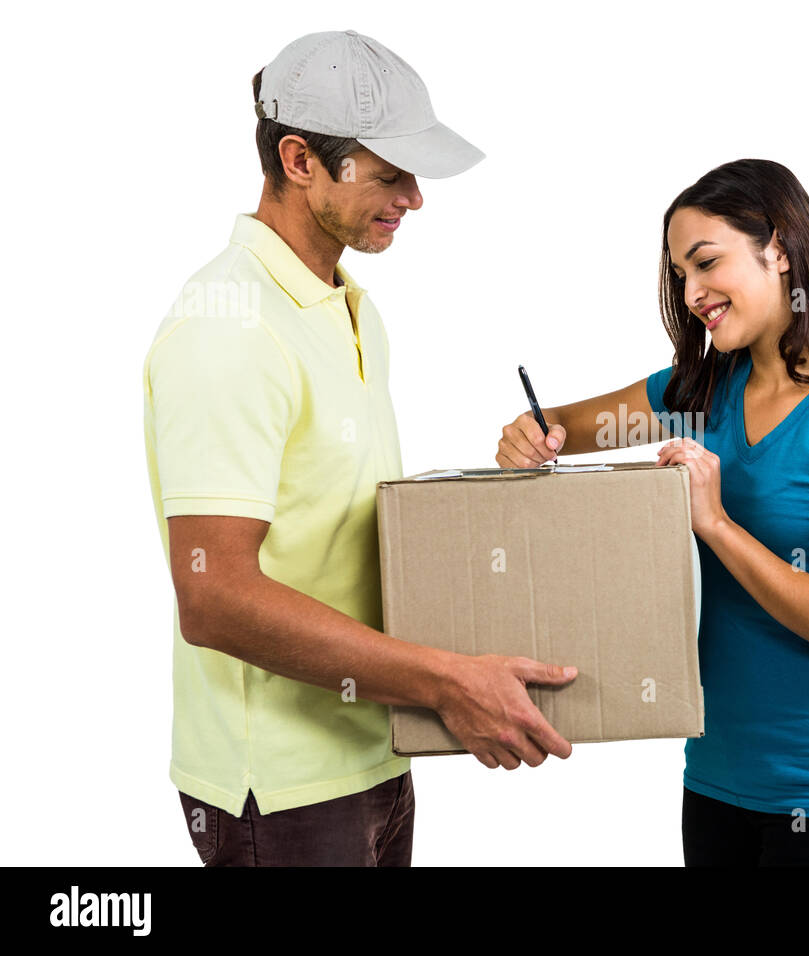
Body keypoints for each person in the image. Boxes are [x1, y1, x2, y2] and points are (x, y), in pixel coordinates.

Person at [142, 30, 578, 867]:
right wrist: (447, 681)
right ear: (300, 160)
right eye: (388, 173)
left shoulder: (348, 306)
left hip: (373, 747)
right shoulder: (225, 328)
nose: (414, 197)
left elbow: (341, 527)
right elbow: (215, 597)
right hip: (279, 788)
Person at [497, 159, 809, 866]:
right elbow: (564, 430)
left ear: (782, 249)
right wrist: (531, 434)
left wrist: (718, 524)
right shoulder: (696, 392)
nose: (693, 293)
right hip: (718, 786)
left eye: (707, 263)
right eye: (679, 275)